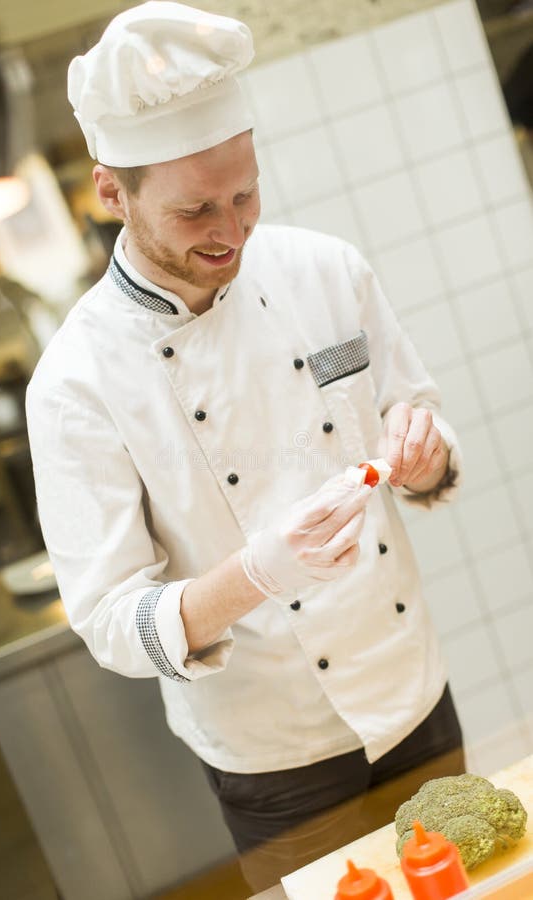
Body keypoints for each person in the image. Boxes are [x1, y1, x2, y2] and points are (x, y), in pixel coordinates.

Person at [26, 2, 465, 892]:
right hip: (278, 761)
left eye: (245, 194)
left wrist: (427, 455)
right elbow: (109, 620)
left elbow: (415, 411)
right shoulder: (75, 384)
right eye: (194, 211)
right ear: (113, 193)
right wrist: (254, 577)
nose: (231, 231)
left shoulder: (324, 270)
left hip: (414, 692)